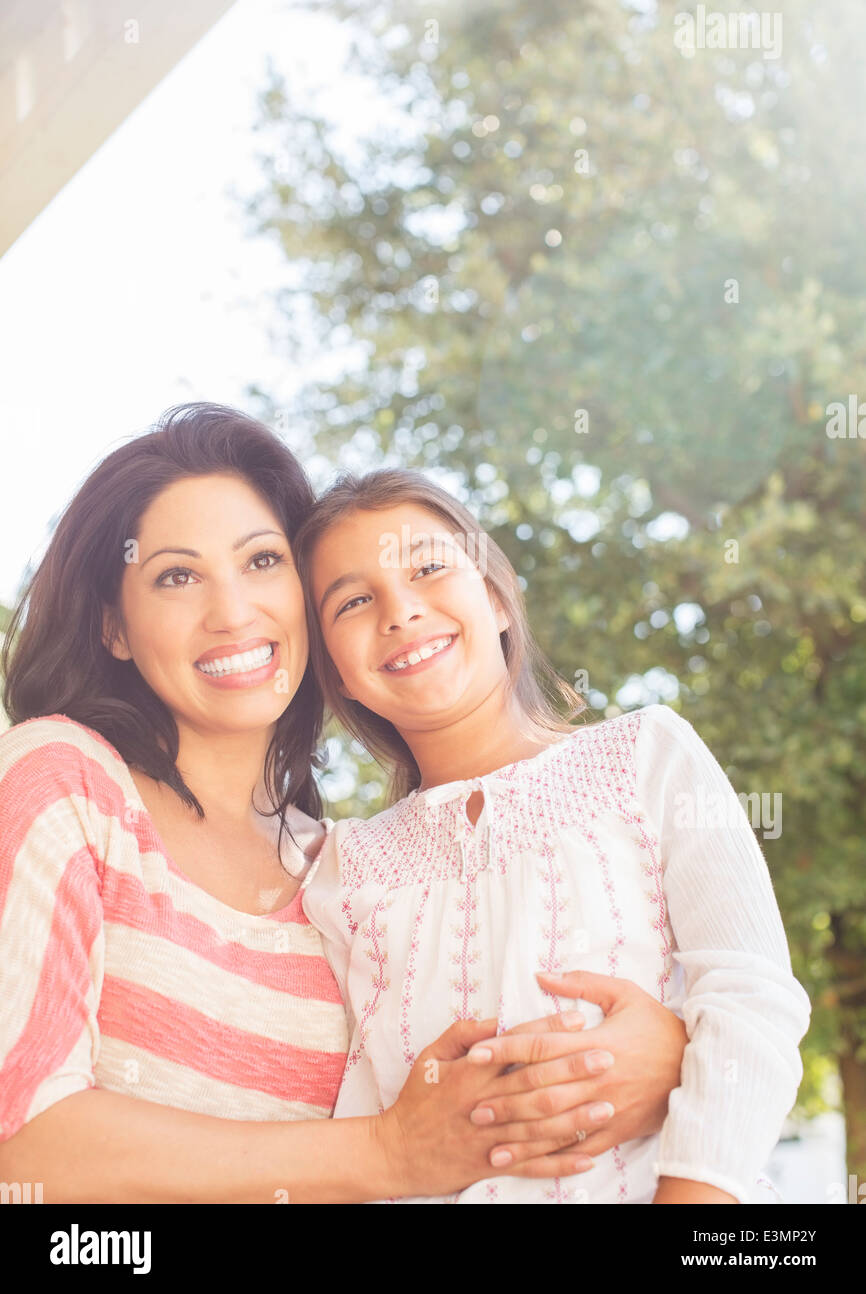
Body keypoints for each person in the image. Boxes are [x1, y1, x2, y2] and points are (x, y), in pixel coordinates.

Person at [0, 403, 687, 1203]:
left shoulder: (348, 873)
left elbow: (477, 1040)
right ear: (114, 627)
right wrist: (385, 1154)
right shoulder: (64, 778)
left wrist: (669, 1051)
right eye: (176, 576)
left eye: (262, 561)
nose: (232, 613)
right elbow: (24, 1141)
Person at [295, 466, 813, 1204]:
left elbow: (750, 998)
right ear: (335, 674)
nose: (400, 611)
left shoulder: (645, 756)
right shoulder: (344, 870)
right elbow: (359, 1108)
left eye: (429, 567)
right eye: (352, 601)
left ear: (498, 598)